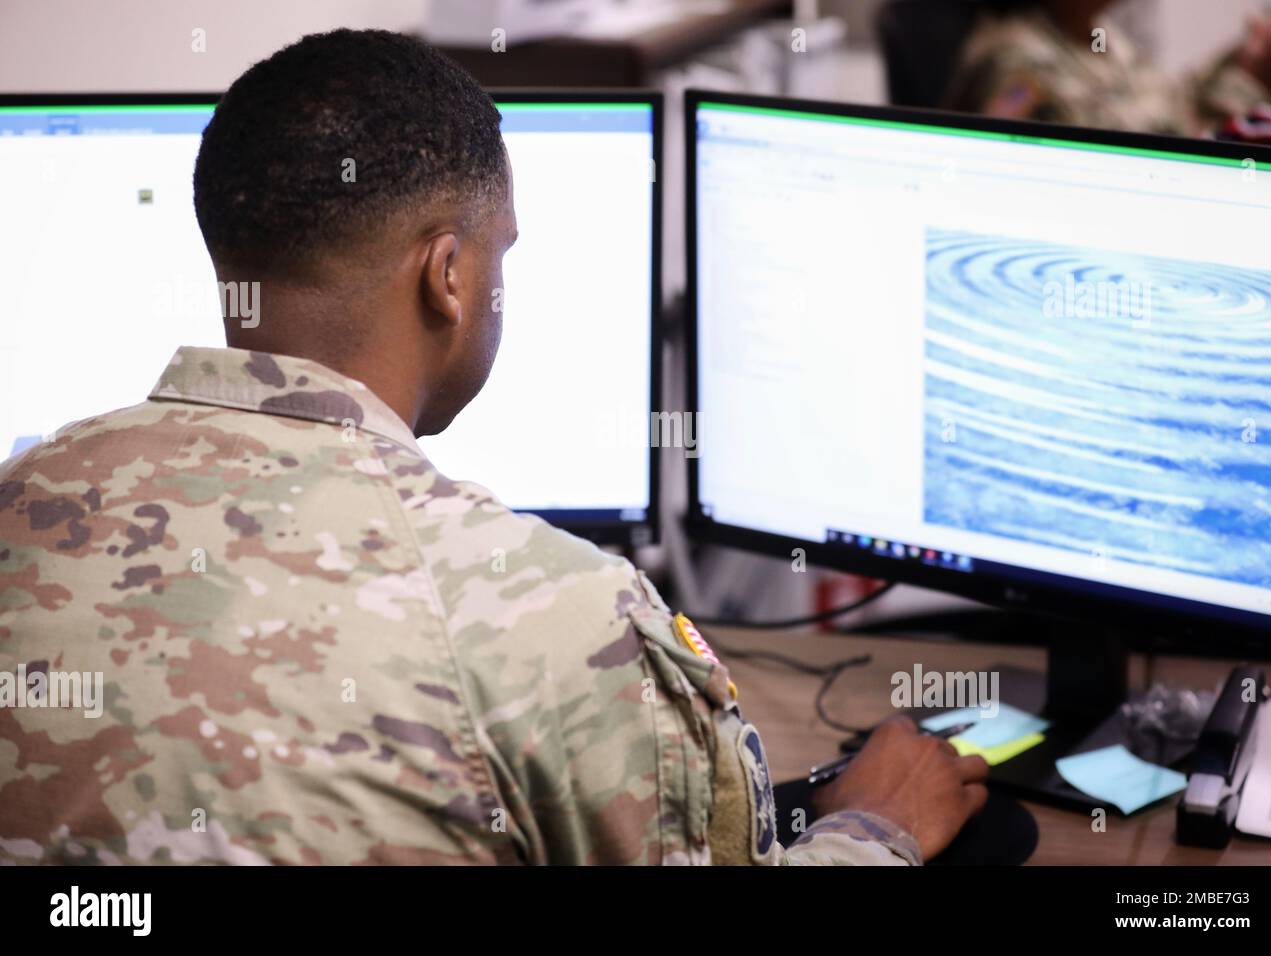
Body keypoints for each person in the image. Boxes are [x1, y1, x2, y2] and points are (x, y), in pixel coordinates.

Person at [0, 29, 988, 865]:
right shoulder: (561, 619)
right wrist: (873, 828)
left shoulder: (19, 504)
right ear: (448, 276)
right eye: (500, 251)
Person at [946, 0, 1271, 135]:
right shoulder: (1013, 60)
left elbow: (1174, 108)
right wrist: (1251, 81)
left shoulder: (1103, 37)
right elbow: (1129, 165)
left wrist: (1253, 55)